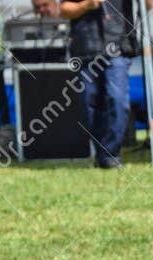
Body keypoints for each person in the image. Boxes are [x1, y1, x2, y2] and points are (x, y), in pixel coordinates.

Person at [59, 0, 144, 167]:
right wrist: (85, 6)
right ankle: (102, 155)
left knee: (117, 99)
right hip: (85, 48)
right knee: (89, 104)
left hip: (118, 47)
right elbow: (63, 10)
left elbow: (147, 5)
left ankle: (110, 155)